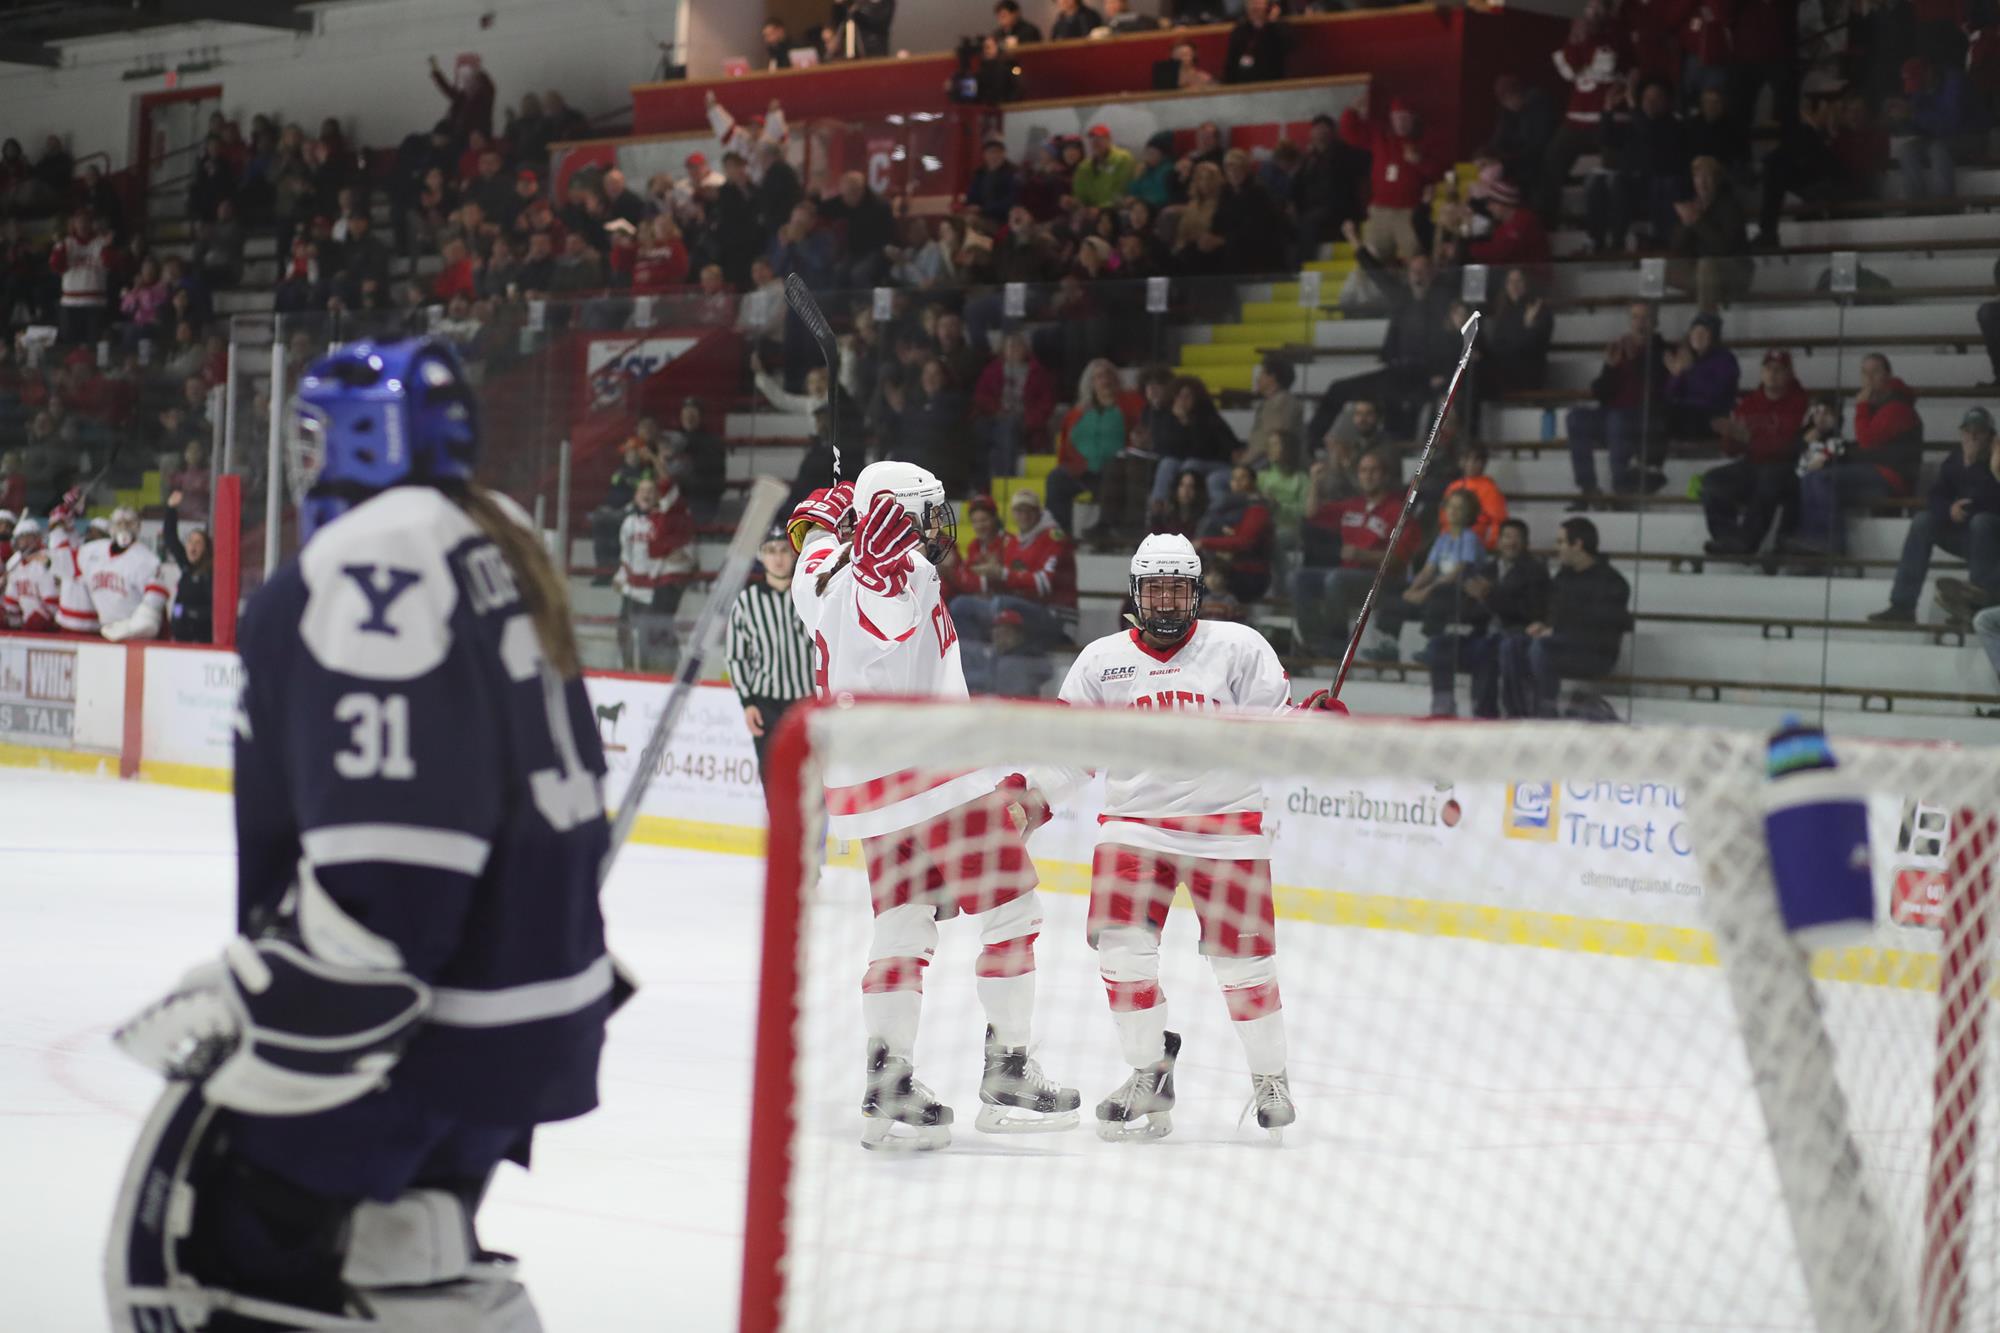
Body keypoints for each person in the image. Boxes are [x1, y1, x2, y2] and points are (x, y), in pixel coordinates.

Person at [106, 337, 611, 1333]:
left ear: (360, 441)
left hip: (409, 1034)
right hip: (524, 1008)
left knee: (237, 1274)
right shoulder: (493, 530)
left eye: (312, 438)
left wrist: (279, 995)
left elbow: (399, 870)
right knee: (403, 1271)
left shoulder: (373, 561)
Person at [786, 461, 1080, 1148]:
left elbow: (813, 547)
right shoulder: (898, 580)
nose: (933, 528)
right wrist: (877, 566)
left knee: (903, 925)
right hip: (936, 775)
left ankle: (887, 1078)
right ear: (892, 519)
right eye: (922, 513)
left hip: (873, 791)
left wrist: (830, 522)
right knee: (1015, 907)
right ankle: (1008, 1067)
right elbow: (882, 612)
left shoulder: (820, 566)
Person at [1017, 533, 1302, 1142]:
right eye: (1154, 587)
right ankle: (1150, 1073)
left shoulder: (1241, 649)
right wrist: (1029, 799)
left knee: (1245, 967)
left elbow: (1281, 738)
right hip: (1134, 829)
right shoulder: (1100, 661)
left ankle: (1269, 1078)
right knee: (1120, 953)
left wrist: (1317, 730)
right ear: (1136, 592)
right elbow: (1072, 755)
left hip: (1226, 829)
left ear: (1196, 592)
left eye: (1177, 587)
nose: (1165, 600)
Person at [1870, 407, 2000, 623]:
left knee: (1981, 522)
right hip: (1965, 533)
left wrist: (1974, 466)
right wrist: (1949, 510)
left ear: (1990, 435)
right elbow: (1935, 496)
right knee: (1923, 521)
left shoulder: (1996, 461)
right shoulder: (1955, 459)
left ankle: (1977, 606)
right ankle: (1902, 605)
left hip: (1991, 538)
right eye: (1968, 431)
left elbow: (1992, 502)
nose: (1973, 436)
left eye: (1979, 431)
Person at [1499, 516, 1631, 718]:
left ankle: (1545, 711)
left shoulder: (1612, 581)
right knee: (1512, 644)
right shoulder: (1563, 576)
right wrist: (1542, 625)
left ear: (1577, 544)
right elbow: (1552, 612)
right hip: (1561, 641)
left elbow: (1603, 625)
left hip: (1594, 651)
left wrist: (1556, 630)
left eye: (1561, 542)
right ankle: (1518, 714)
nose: (1557, 548)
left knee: (1541, 647)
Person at [1794, 353, 1923, 555]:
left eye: (1875, 371)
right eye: (1865, 372)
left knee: (1822, 480)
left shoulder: (1898, 407)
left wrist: (1861, 406)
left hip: (1892, 477)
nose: (1869, 378)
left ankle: (1832, 543)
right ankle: (1814, 539)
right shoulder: (1878, 405)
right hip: (1875, 472)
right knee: (1810, 477)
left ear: (1887, 375)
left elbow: (1867, 441)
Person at [1292, 450, 1415, 660]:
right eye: (1363, 471)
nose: (1368, 475)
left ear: (1385, 476)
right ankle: (1313, 643)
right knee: (1299, 578)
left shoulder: (1399, 511)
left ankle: (1336, 644)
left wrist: (1363, 555)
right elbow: (1311, 514)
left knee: (1335, 579)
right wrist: (1314, 482)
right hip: (1346, 576)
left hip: (1382, 581)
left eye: (1374, 470)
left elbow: (1399, 559)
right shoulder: (1352, 505)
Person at [728, 524, 817, 779]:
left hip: (805, 703)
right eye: (770, 551)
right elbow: (736, 657)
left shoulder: (810, 594)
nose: (778, 558)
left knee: (808, 776)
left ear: (794, 554)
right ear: (761, 555)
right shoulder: (746, 602)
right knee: (772, 776)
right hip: (765, 703)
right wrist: (747, 703)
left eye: (783, 550)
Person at [1702, 349, 1808, 555]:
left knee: (1769, 479)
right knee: (1713, 481)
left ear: (1789, 373)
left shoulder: (1800, 403)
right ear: (1762, 372)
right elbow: (1730, 451)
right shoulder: (1750, 402)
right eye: (1768, 369)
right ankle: (1726, 537)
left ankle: (1747, 541)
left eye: (1779, 370)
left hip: (1787, 467)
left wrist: (1750, 440)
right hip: (1752, 464)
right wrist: (1731, 435)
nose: (1773, 374)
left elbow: (1789, 446)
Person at [1567, 301, 1669, 504]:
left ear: (1654, 322)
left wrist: (1635, 359)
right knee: (1576, 417)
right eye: (1634, 317)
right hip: (1613, 414)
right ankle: (1588, 487)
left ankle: (1621, 487)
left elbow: (1658, 388)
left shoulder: (1662, 350)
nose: (1639, 322)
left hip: (1645, 418)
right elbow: (1599, 392)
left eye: (1644, 317)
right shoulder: (1619, 349)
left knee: (1617, 419)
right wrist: (1610, 367)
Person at [951, 489, 1078, 648]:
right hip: (1025, 609)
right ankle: (977, 659)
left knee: (1001, 604)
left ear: (1038, 511)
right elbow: (1008, 582)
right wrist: (994, 579)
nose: (1023, 516)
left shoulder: (1054, 537)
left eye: (1028, 510)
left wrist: (1000, 573)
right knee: (960, 605)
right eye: (1019, 511)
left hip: (1057, 616)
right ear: (1013, 514)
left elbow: (1044, 584)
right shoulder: (1014, 543)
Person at [1401, 487, 1489, 716]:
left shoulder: (1470, 538)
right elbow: (1429, 569)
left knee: (1440, 593)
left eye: (1460, 508)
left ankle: (1431, 644)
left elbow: (1459, 572)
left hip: (1462, 591)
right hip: (1439, 587)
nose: (1454, 512)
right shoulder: (1443, 538)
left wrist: (1426, 591)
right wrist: (1411, 590)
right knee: (1395, 591)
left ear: (1469, 513)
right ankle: (1389, 642)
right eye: (1451, 507)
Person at [1457, 518, 1550, 719]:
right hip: (1482, 633)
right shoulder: (1485, 570)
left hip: (1515, 635)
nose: (1511, 542)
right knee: (1440, 645)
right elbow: (1465, 612)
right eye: (1507, 537)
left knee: (1489, 649)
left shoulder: (1535, 572)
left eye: (1517, 538)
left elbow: (1531, 613)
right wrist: (1484, 600)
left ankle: (1490, 714)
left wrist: (1489, 596)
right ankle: (1443, 708)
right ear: (1498, 541)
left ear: (1526, 544)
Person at [53, 504, 173, 641]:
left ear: (138, 527)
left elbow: (153, 606)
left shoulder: (147, 560)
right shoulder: (92, 551)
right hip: (105, 632)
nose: (124, 528)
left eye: (128, 523)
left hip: (136, 637)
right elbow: (62, 563)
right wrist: (58, 527)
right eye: (119, 523)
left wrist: (130, 628)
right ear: (111, 526)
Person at [615, 476, 697, 673]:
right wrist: (622, 576)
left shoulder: (665, 521)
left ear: (658, 496)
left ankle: (656, 674)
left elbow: (681, 552)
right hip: (632, 588)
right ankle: (626, 672)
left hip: (655, 589)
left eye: (651, 491)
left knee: (650, 634)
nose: (646, 494)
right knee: (623, 631)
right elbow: (625, 553)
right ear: (635, 496)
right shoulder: (628, 522)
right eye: (642, 490)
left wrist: (680, 555)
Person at [1339, 97, 1432, 262]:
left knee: (1417, 258)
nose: (1401, 123)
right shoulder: (1380, 137)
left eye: (1405, 118)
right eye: (1397, 118)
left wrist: (1420, 162)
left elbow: (1438, 173)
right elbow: (1349, 134)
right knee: (1373, 260)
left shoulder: (1425, 142)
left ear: (1413, 119)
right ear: (1391, 119)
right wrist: (1351, 112)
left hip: (1409, 212)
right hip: (1380, 211)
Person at [159, 491, 213, 643]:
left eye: (198, 543)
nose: (192, 546)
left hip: (201, 640)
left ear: (205, 549)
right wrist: (171, 509)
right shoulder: (186, 565)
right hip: (180, 638)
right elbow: (170, 538)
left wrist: (186, 612)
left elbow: (212, 611)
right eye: (190, 541)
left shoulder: (210, 574)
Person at [1444, 444, 1507, 549]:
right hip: (1450, 539)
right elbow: (1444, 516)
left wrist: (1491, 544)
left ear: (1484, 463)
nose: (1471, 464)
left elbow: (1498, 521)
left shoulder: (1490, 488)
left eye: (1476, 460)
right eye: (1467, 459)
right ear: (1460, 461)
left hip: (1476, 541)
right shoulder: (1453, 486)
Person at [1, 516, 57, 631]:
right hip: (27, 624)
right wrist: (8, 618)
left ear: (38, 539)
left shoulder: (45, 560)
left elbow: (52, 604)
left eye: (30, 537)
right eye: (22, 538)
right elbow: (12, 603)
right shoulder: (14, 564)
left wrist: (33, 623)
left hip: (48, 625)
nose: (26, 541)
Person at [1224, 0, 1287, 84]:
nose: (1255, 7)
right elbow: (1230, 64)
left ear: (1267, 7)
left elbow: (1288, 46)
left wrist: (1272, 23)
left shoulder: (1277, 28)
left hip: (1272, 83)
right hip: (1243, 84)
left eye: (1258, 3)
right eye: (1252, 4)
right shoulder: (1239, 30)